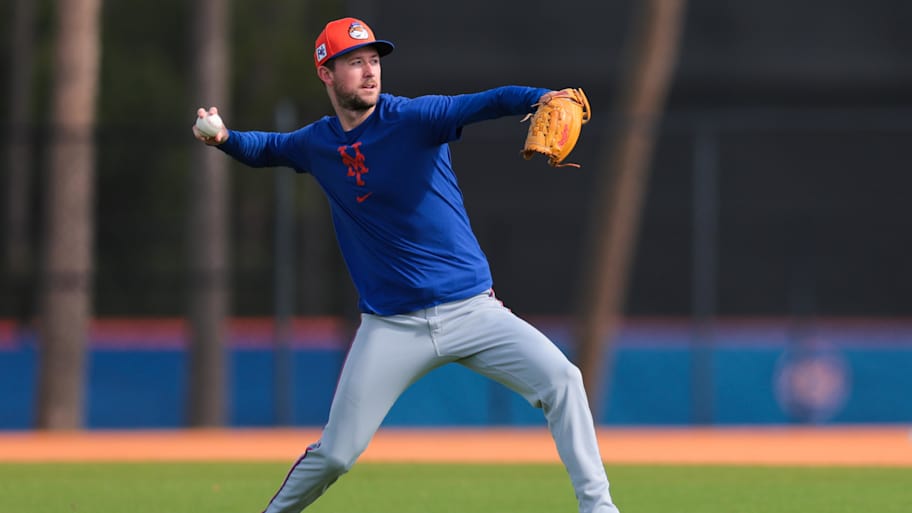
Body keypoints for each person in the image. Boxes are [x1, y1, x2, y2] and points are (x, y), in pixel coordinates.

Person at [192, 16, 621, 513]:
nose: (370, 72)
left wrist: (544, 97)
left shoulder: (416, 119)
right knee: (335, 454)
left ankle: (599, 508)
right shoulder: (318, 144)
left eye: (374, 61)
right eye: (355, 63)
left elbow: (488, 101)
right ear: (326, 74)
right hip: (391, 327)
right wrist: (223, 138)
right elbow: (267, 148)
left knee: (563, 380)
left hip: (473, 312)